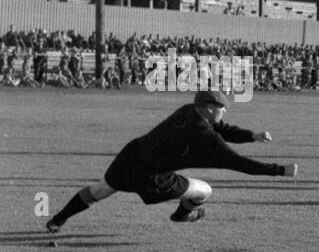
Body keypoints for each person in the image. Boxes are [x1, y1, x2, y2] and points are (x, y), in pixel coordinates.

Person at [45, 89, 295, 235]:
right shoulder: (203, 135)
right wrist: (279, 170)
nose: (224, 112)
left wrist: (252, 135)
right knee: (205, 190)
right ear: (210, 107)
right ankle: (181, 216)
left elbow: (221, 128)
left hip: (131, 155)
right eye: (222, 108)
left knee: (99, 190)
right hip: (152, 176)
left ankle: (57, 221)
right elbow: (238, 163)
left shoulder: (188, 110)